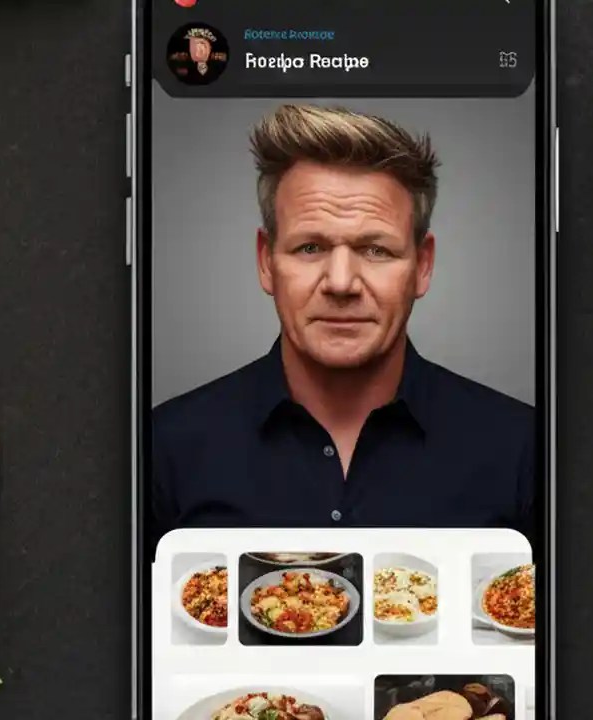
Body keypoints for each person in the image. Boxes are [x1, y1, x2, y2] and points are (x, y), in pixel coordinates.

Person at [149, 104, 536, 547]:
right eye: (310, 247)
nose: (340, 283)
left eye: (375, 250)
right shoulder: (166, 447)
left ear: (423, 266)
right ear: (266, 262)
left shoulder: (522, 447)